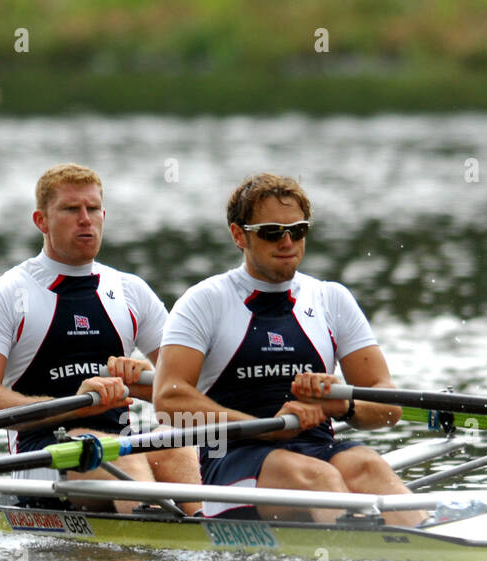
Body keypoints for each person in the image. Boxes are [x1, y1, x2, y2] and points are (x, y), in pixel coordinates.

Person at [154, 172, 424, 526]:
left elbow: (388, 404)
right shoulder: (204, 301)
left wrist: (341, 404)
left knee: (368, 465)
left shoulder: (332, 299)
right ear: (239, 235)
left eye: (297, 230)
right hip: (234, 461)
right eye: (271, 232)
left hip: (316, 447)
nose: (286, 241)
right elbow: (168, 400)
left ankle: (438, 551)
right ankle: (361, 560)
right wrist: (264, 428)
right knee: (318, 478)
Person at [0, 163, 200, 512]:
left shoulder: (132, 292)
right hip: (41, 454)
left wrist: (135, 382)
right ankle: (153, 533)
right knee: (124, 458)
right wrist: (75, 399)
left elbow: (183, 391)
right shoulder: (6, 295)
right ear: (41, 221)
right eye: (71, 209)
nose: (85, 219)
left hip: (117, 443)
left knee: (176, 446)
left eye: (93, 209)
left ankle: (205, 537)